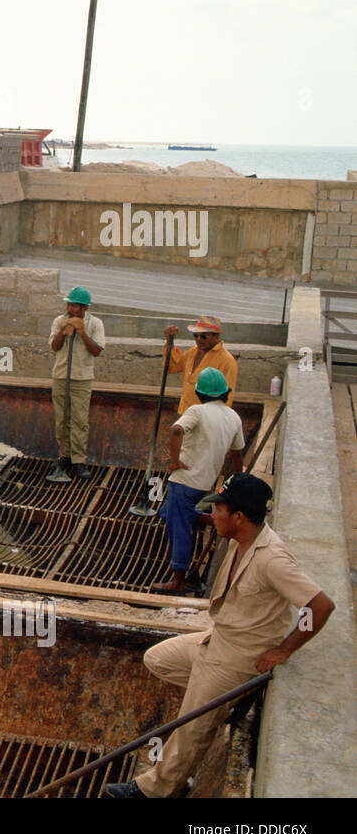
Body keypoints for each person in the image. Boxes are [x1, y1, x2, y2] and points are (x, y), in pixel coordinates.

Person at [106, 474, 335, 798]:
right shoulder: (242, 540)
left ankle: (156, 789)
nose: (212, 516)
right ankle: (219, 704)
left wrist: (284, 650)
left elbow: (320, 605)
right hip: (217, 639)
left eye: (218, 510)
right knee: (156, 659)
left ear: (239, 517)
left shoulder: (272, 559)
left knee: (190, 726)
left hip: (239, 655)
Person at [153, 368, 244, 593]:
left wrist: (174, 462)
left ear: (200, 393)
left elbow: (176, 430)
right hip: (206, 483)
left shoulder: (197, 411)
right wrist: (238, 480)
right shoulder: (233, 416)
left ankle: (179, 579)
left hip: (184, 481)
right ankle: (206, 518)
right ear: (224, 392)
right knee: (167, 512)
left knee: (178, 528)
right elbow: (236, 454)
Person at [47, 286, 106, 480]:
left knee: (79, 420)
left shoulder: (95, 323)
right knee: (62, 419)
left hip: (82, 378)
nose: (70, 309)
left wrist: (82, 333)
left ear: (84, 308)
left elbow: (97, 350)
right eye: (69, 304)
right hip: (61, 376)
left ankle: (78, 460)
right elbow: (55, 347)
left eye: (74, 306)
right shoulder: (58, 320)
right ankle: (64, 456)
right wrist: (63, 332)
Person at [164, 315, 238, 416]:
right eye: (196, 335)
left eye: (203, 336)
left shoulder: (227, 361)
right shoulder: (192, 352)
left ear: (216, 336)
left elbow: (227, 399)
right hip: (185, 413)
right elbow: (172, 368)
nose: (198, 339)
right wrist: (169, 343)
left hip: (206, 419)